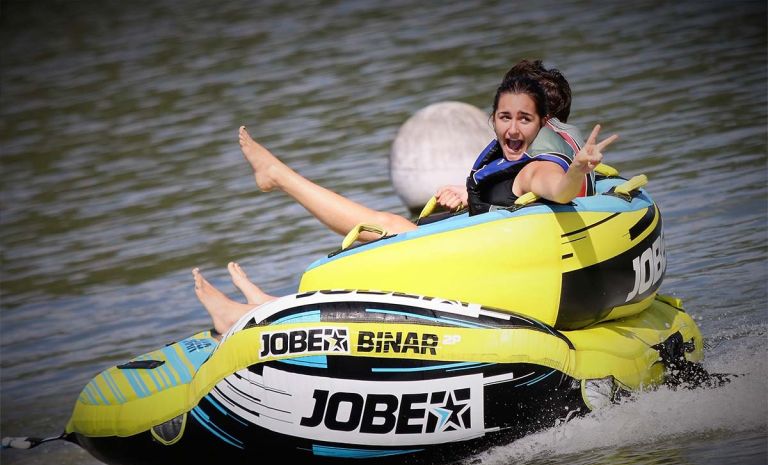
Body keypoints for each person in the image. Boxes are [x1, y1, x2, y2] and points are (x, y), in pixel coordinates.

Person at [194, 71, 618, 335]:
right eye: (504, 118)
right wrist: (458, 208)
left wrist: (577, 170)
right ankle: (269, 295)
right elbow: (511, 211)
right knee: (391, 224)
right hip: (490, 268)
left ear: (544, 124)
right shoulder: (516, 162)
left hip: (491, 286)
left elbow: (557, 188)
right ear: (492, 120)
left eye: (524, 119)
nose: (511, 129)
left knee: (389, 231)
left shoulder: (535, 167)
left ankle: (255, 312)